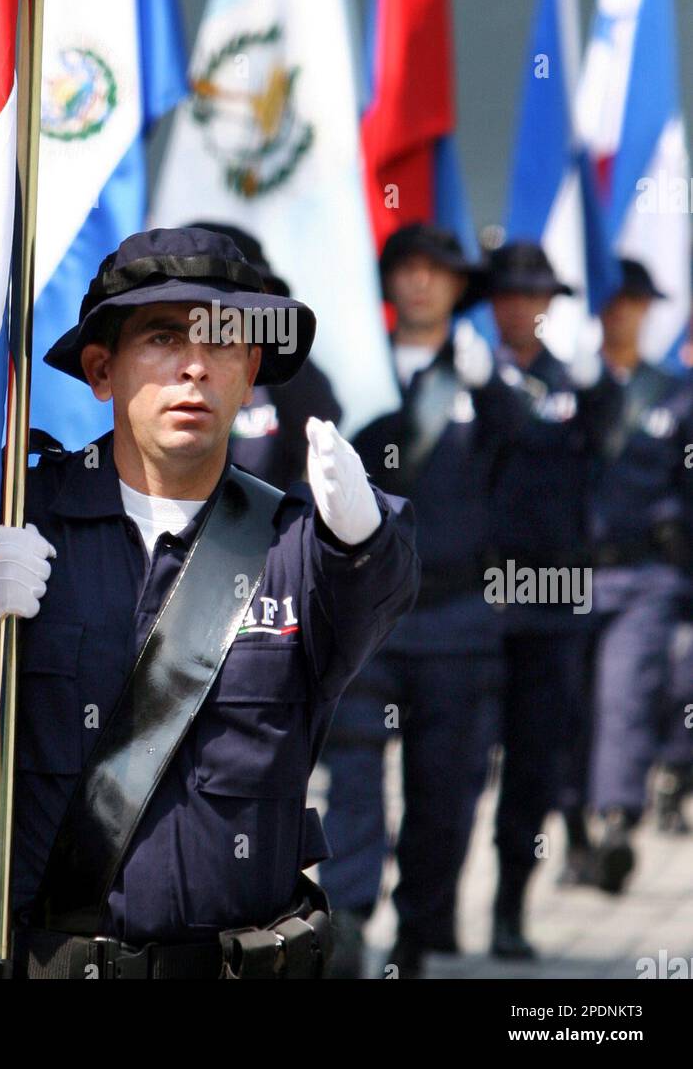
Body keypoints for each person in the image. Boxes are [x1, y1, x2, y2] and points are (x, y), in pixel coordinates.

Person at [0, 226, 420, 979]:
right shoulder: (17, 521)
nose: (195, 367)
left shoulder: (299, 544)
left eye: (223, 343)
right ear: (102, 370)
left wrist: (363, 538)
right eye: (163, 338)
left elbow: (382, 589)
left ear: (249, 372)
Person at [320, 222, 521, 979]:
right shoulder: (356, 369)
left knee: (445, 789)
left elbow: (535, 465)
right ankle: (345, 919)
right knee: (354, 778)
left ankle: (420, 927)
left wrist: (489, 389)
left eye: (437, 271)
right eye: (406, 268)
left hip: (458, 617)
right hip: (369, 615)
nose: (420, 282)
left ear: (457, 285)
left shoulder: (480, 381)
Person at [485, 241, 598, 956]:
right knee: (453, 767)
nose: (523, 307)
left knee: (533, 766)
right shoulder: (462, 382)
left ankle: (509, 908)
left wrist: (601, 393)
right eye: (510, 294)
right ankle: (424, 913)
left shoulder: (574, 385)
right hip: (478, 596)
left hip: (553, 600)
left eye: (537, 296)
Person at [584, 258, 693, 893]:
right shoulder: (571, 392)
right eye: (613, 299)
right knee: (569, 706)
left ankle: (619, 820)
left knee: (624, 697)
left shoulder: (676, 393)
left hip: (647, 577)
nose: (622, 311)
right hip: (565, 577)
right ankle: (572, 826)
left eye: (634, 301)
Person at [191, 222, 342, 490]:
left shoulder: (286, 367)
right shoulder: (166, 368)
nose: (253, 304)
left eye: (261, 293)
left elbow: (323, 423)